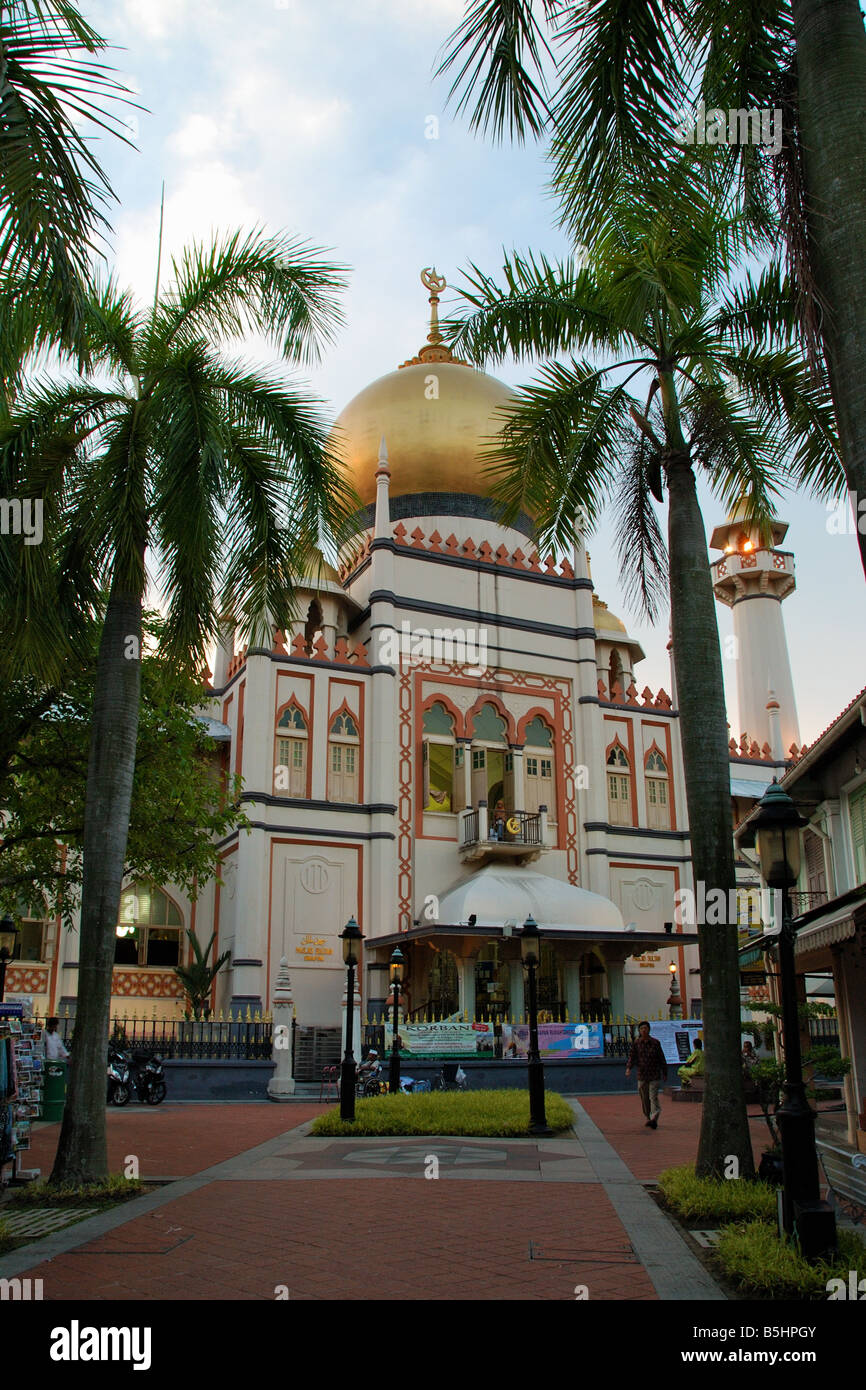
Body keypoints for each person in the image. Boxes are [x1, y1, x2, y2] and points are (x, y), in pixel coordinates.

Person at [625, 1020, 668, 1129]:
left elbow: (661, 1058)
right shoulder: (637, 1043)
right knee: (644, 1098)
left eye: (645, 1028)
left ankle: (654, 1118)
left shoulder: (655, 1043)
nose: (644, 1030)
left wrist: (664, 1072)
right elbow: (632, 1057)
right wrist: (629, 1068)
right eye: (642, 1029)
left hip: (654, 1074)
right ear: (639, 1031)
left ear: (649, 1030)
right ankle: (648, 1116)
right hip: (642, 1075)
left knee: (653, 1097)